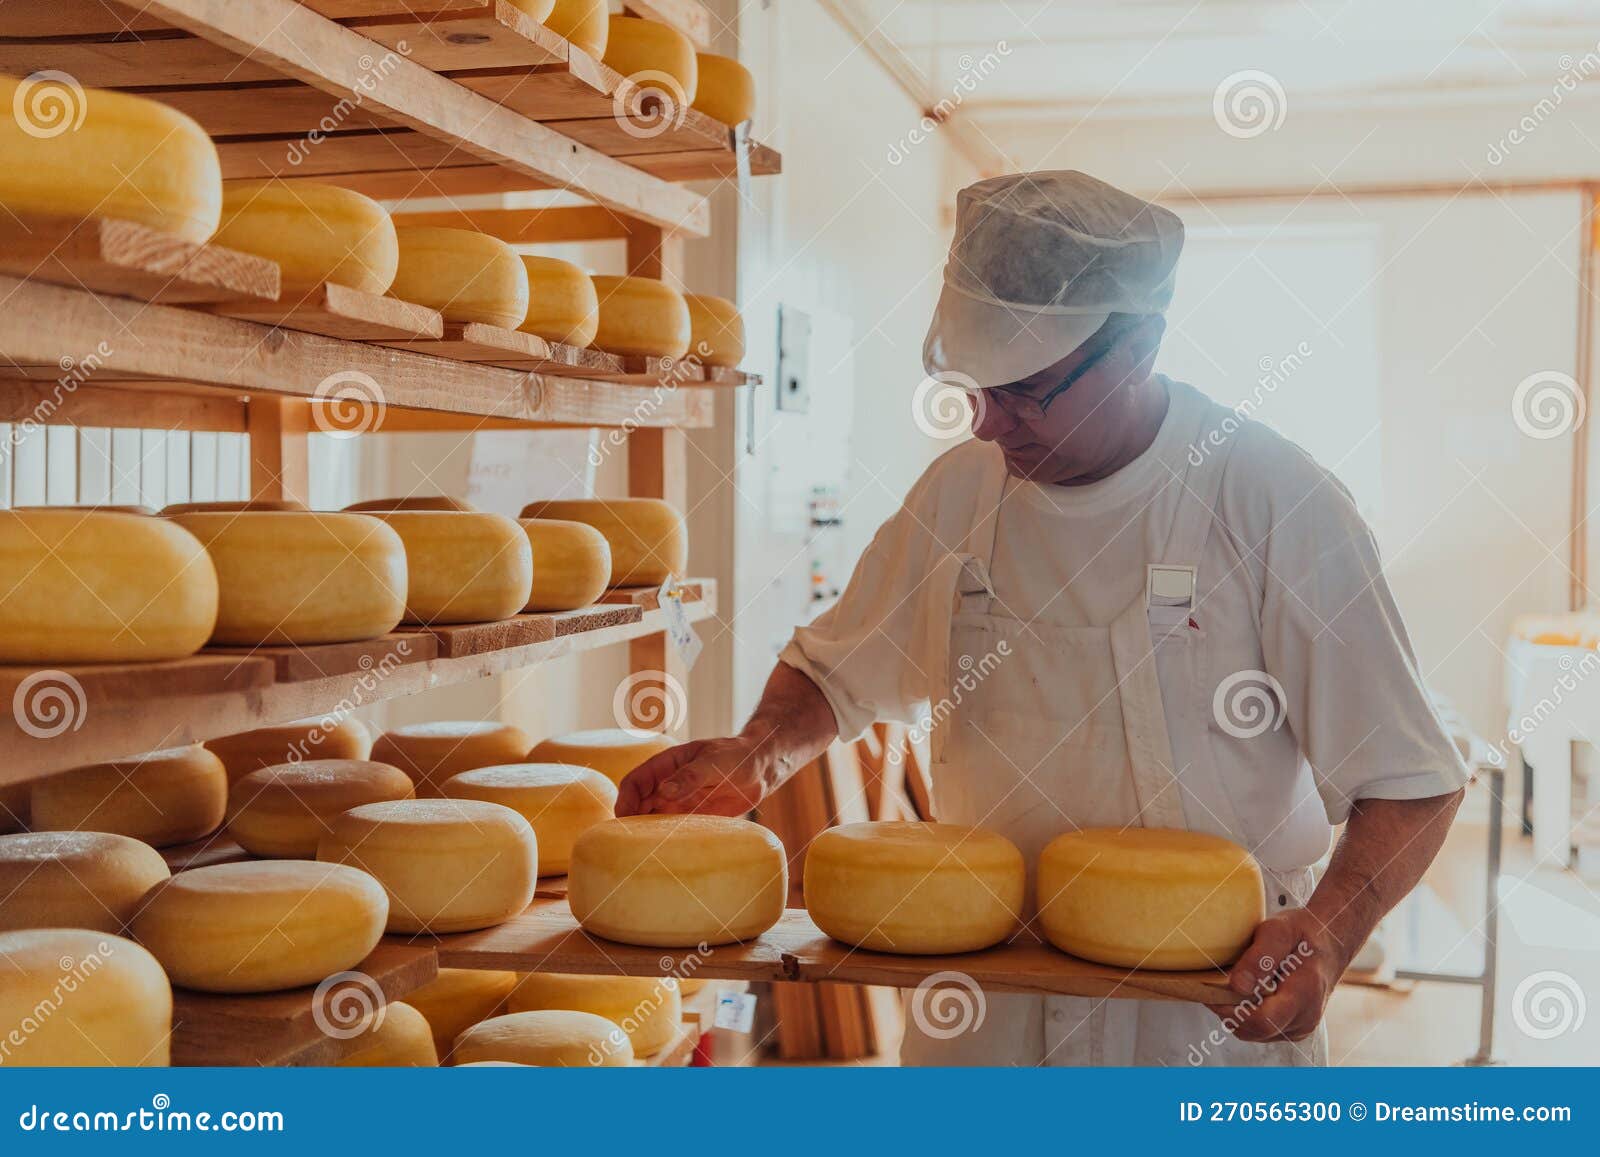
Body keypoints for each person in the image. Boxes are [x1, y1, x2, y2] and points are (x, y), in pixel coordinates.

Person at [616, 170, 1468, 1066]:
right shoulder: (958, 497)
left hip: (1202, 1022)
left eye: (1026, 392)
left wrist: (1327, 937)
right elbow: (837, 670)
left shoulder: (1271, 501)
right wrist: (754, 754)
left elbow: (1412, 778)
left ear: (1139, 344)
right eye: (974, 391)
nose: (990, 424)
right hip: (986, 1014)